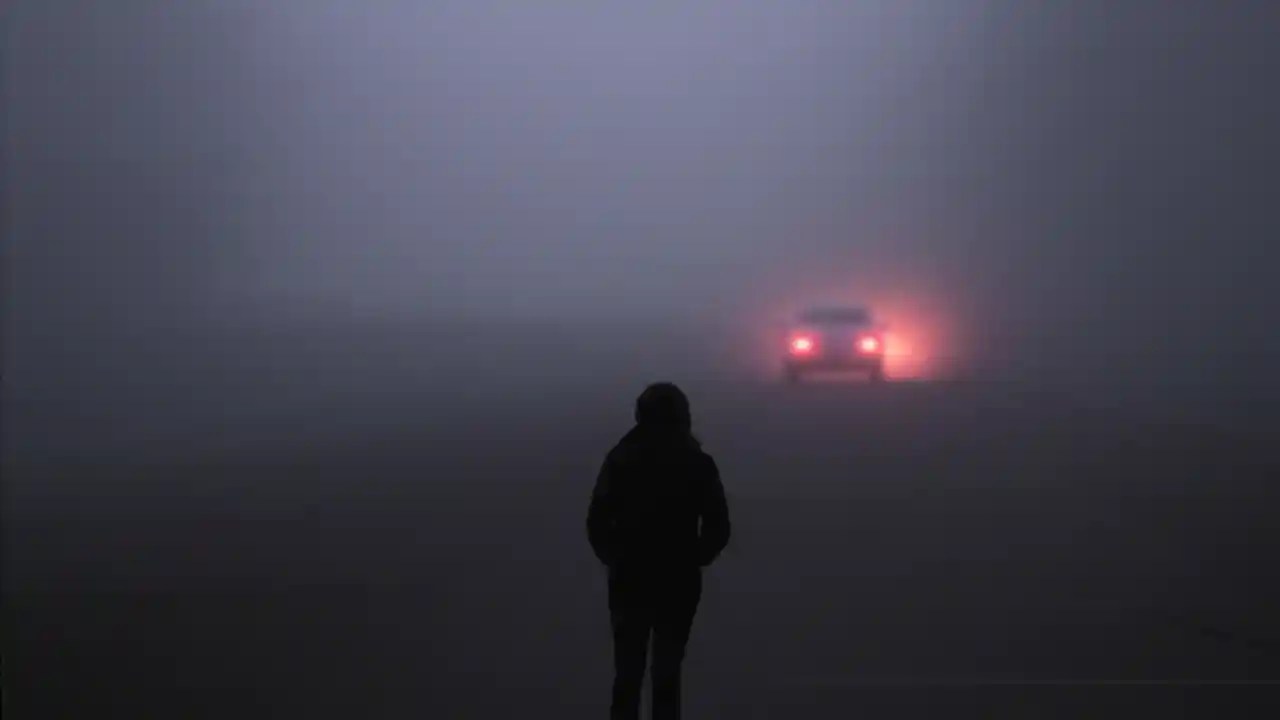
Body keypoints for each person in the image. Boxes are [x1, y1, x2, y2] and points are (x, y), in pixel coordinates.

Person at [587, 382, 731, 720]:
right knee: (667, 672)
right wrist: (695, 558)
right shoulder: (697, 461)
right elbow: (718, 525)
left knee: (627, 671)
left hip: (629, 576)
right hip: (678, 577)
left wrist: (615, 558)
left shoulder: (621, 458)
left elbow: (596, 520)